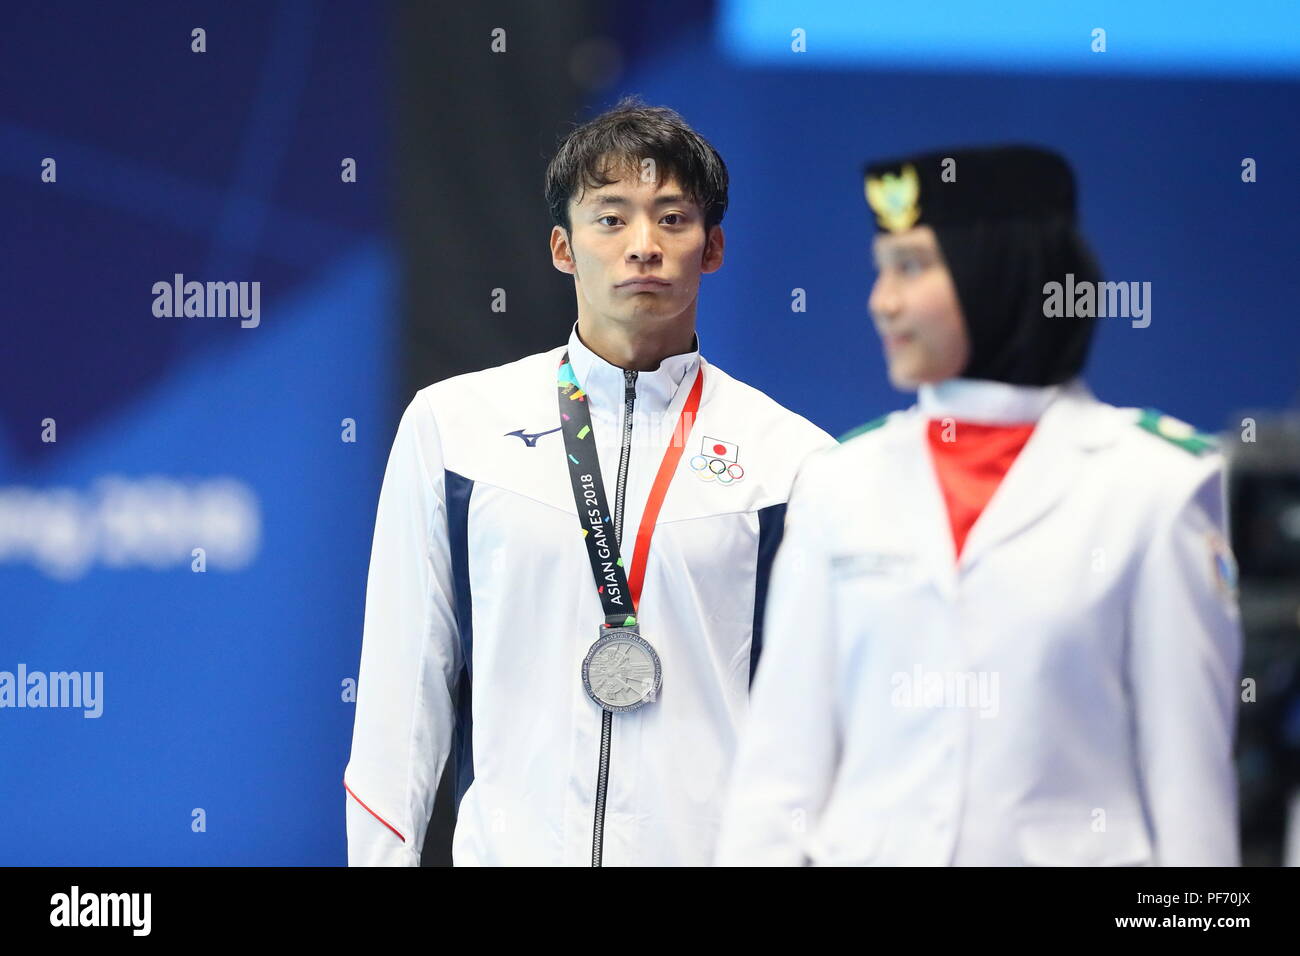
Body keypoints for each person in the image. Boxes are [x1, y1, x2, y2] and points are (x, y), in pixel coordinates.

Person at [715, 145, 1243, 866]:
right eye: (881, 267)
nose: (882, 301)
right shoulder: (840, 483)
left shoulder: (1154, 485)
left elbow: (1190, 796)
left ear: (1001, 269)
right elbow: (780, 776)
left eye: (912, 266)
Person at [344, 99, 835, 866]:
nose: (643, 246)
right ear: (562, 248)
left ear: (712, 249)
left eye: (673, 218)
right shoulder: (454, 429)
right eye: (611, 218)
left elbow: (819, 726)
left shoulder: (792, 461)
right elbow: (400, 696)